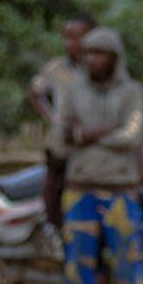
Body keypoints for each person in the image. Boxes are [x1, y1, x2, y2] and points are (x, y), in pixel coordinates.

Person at [54, 27, 143, 284]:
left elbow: (132, 137)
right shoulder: (73, 91)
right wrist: (104, 131)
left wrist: (87, 134)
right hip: (81, 185)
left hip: (121, 187)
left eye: (100, 54)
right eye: (88, 54)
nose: (93, 60)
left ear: (114, 58)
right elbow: (63, 135)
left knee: (127, 256)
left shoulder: (132, 91)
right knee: (77, 257)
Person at [30, 13, 95, 222]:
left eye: (77, 37)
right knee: (56, 208)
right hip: (62, 154)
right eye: (67, 37)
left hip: (93, 156)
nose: (70, 43)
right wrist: (52, 117)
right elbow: (35, 92)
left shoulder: (101, 70)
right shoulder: (57, 69)